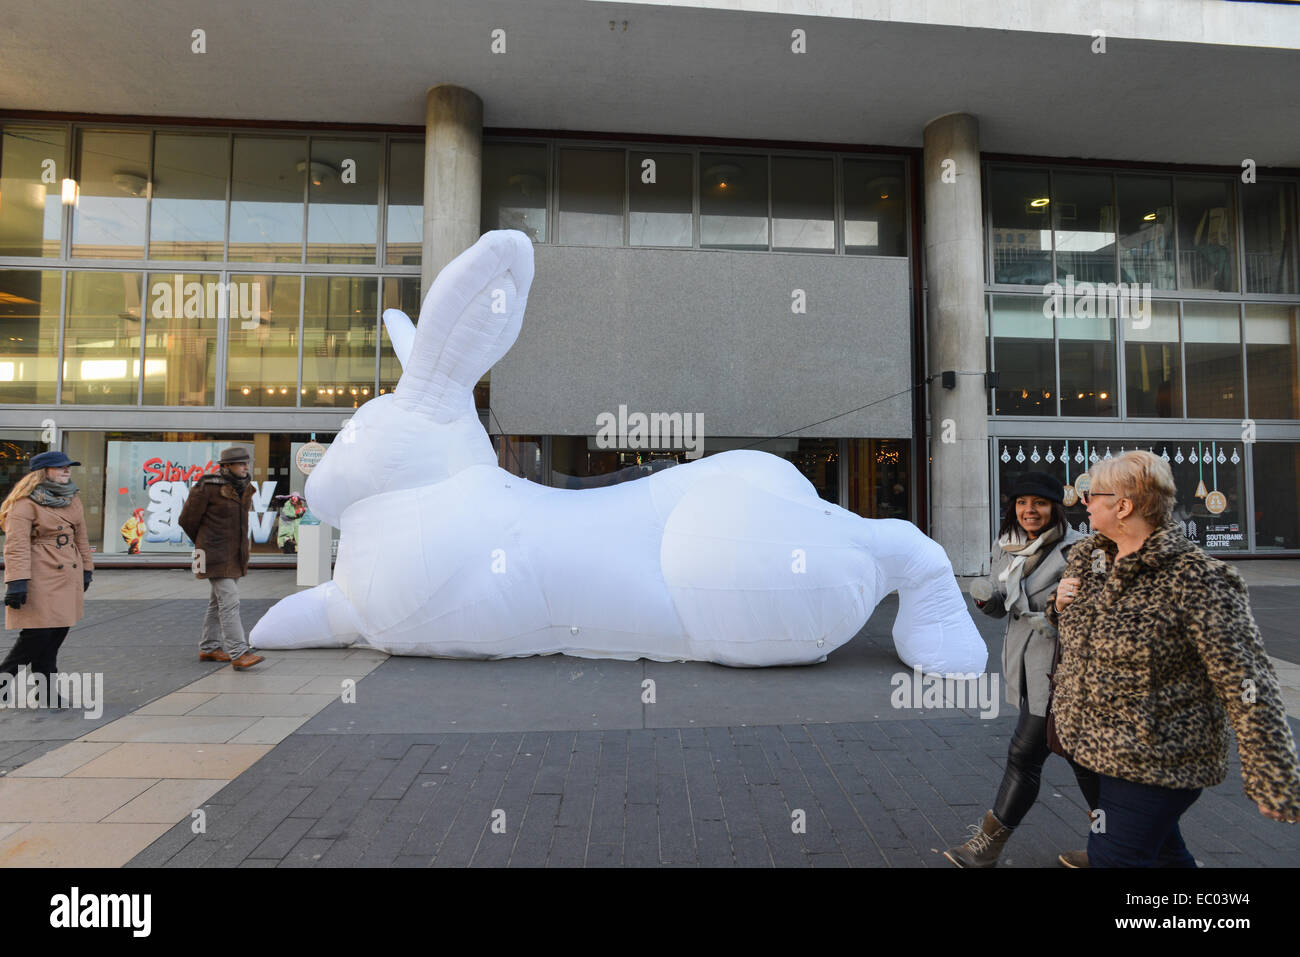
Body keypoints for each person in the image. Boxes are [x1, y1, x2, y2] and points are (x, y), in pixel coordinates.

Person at [1050, 451, 1300, 867]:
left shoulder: (1196, 578)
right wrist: (1055, 608)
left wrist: (1271, 772)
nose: (1082, 502)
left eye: (1091, 494)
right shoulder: (1089, 558)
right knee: (1165, 853)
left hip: (1157, 760)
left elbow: (1247, 682)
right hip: (1089, 747)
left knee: (1113, 856)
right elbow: (1078, 632)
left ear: (1123, 506)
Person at [944, 472, 1099, 868]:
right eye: (1022, 503)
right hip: (1026, 665)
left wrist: (1059, 612)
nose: (1030, 511)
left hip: (1063, 670)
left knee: (1024, 754)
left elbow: (1094, 615)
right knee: (1085, 762)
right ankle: (1119, 844)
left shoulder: (1078, 550)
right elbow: (1004, 608)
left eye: (1040, 503)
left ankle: (986, 846)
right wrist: (986, 602)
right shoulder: (1008, 548)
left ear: (1055, 508)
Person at [0, 451, 94, 706]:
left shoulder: (72, 498)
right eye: (60, 467)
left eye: (68, 467)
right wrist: (16, 582)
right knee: (37, 635)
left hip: (67, 572)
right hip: (39, 572)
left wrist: (87, 568)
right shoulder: (24, 503)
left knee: (57, 633)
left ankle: (46, 692)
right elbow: (16, 545)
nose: (67, 470)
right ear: (43, 472)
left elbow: (81, 536)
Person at [178, 446, 263, 670]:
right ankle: (239, 652)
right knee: (230, 601)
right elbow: (187, 520)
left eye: (247, 463)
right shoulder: (207, 486)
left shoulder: (244, 487)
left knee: (217, 603)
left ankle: (209, 648)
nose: (246, 467)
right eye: (241, 463)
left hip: (234, 553)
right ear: (226, 466)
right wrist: (205, 540)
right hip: (213, 553)